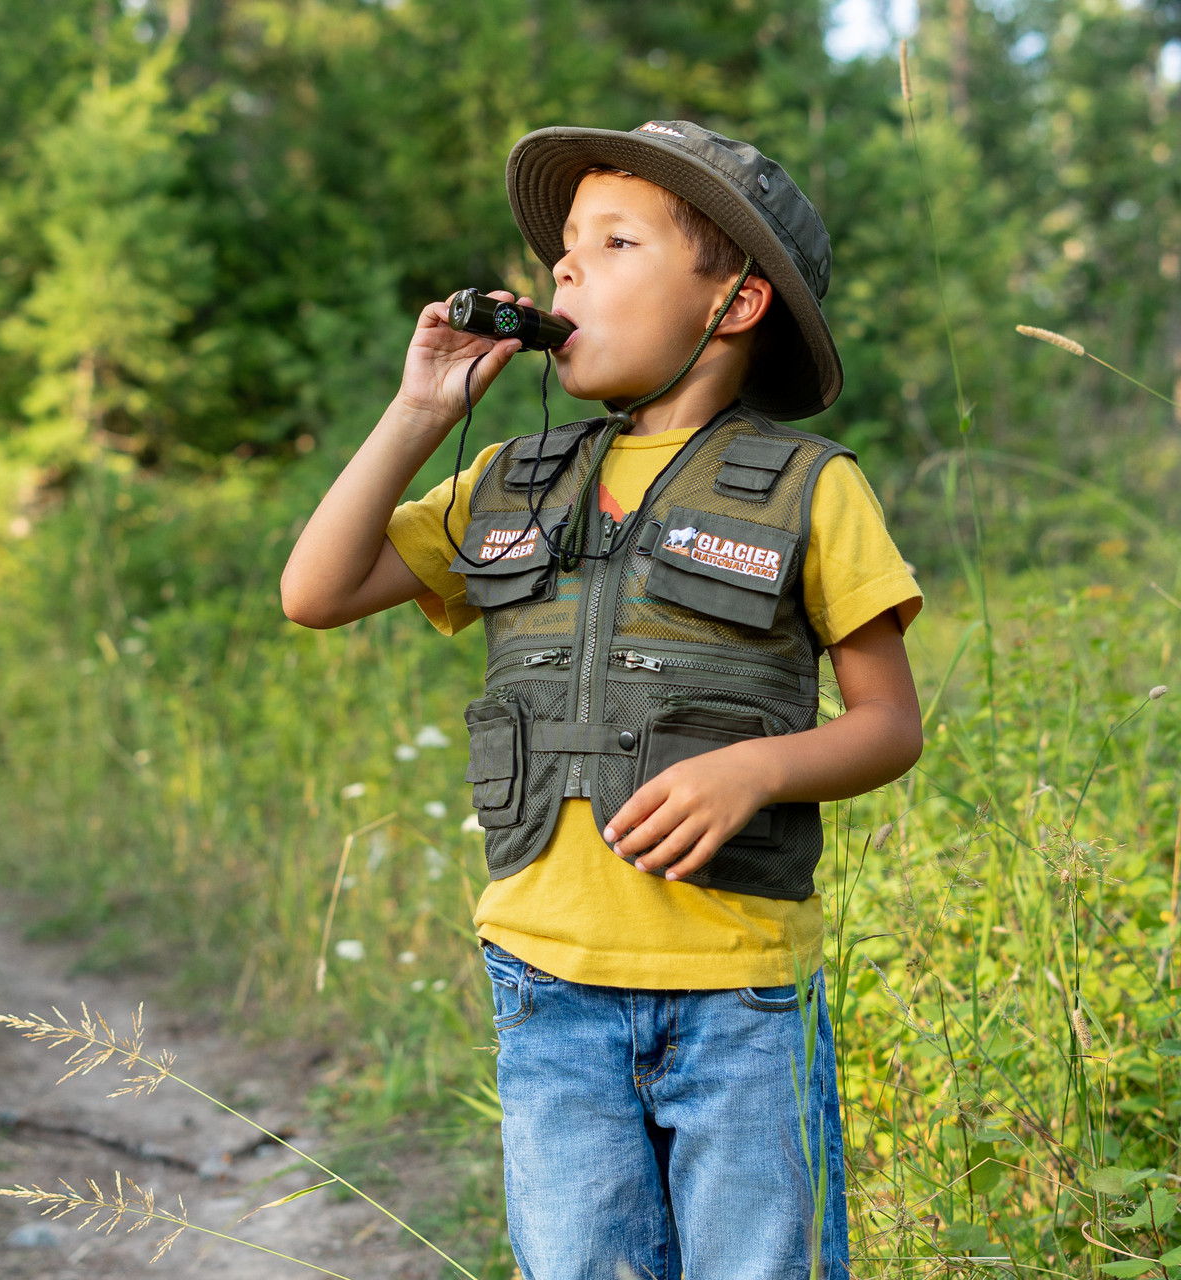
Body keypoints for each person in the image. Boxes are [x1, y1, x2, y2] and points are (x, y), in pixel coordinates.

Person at [281, 119, 923, 1280]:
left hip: (739, 994)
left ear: (731, 304)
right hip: (547, 984)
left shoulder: (811, 490)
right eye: (561, 249)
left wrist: (757, 768)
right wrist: (419, 411)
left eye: (613, 241)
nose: (563, 268)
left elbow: (888, 722)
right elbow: (314, 590)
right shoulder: (507, 478)